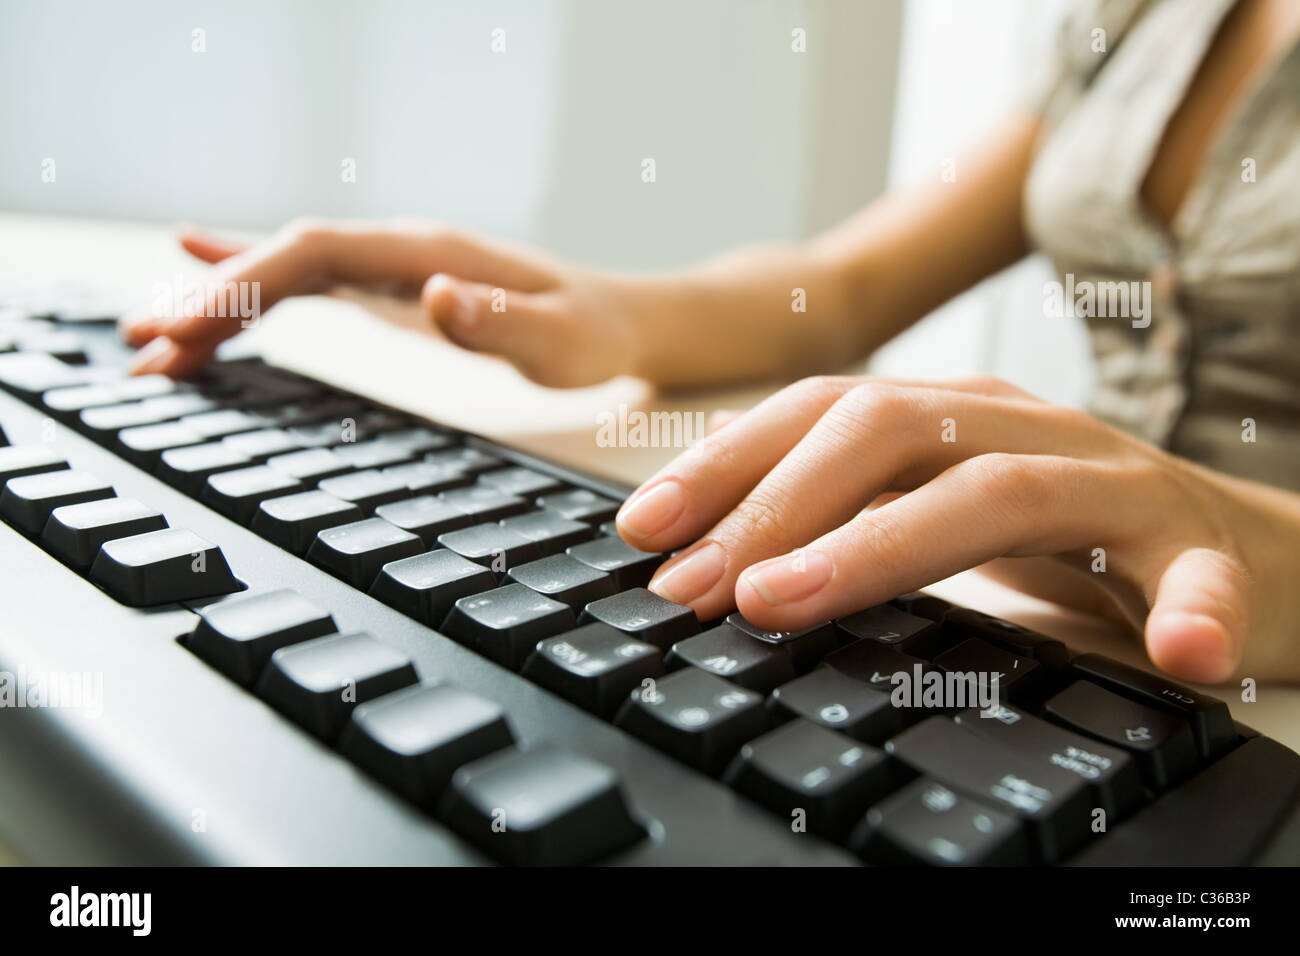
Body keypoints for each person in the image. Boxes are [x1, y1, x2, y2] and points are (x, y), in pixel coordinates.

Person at [121, 0, 1300, 684]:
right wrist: (601, 311)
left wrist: (1227, 529)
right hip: (1070, 606)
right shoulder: (1142, 14)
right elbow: (841, 287)